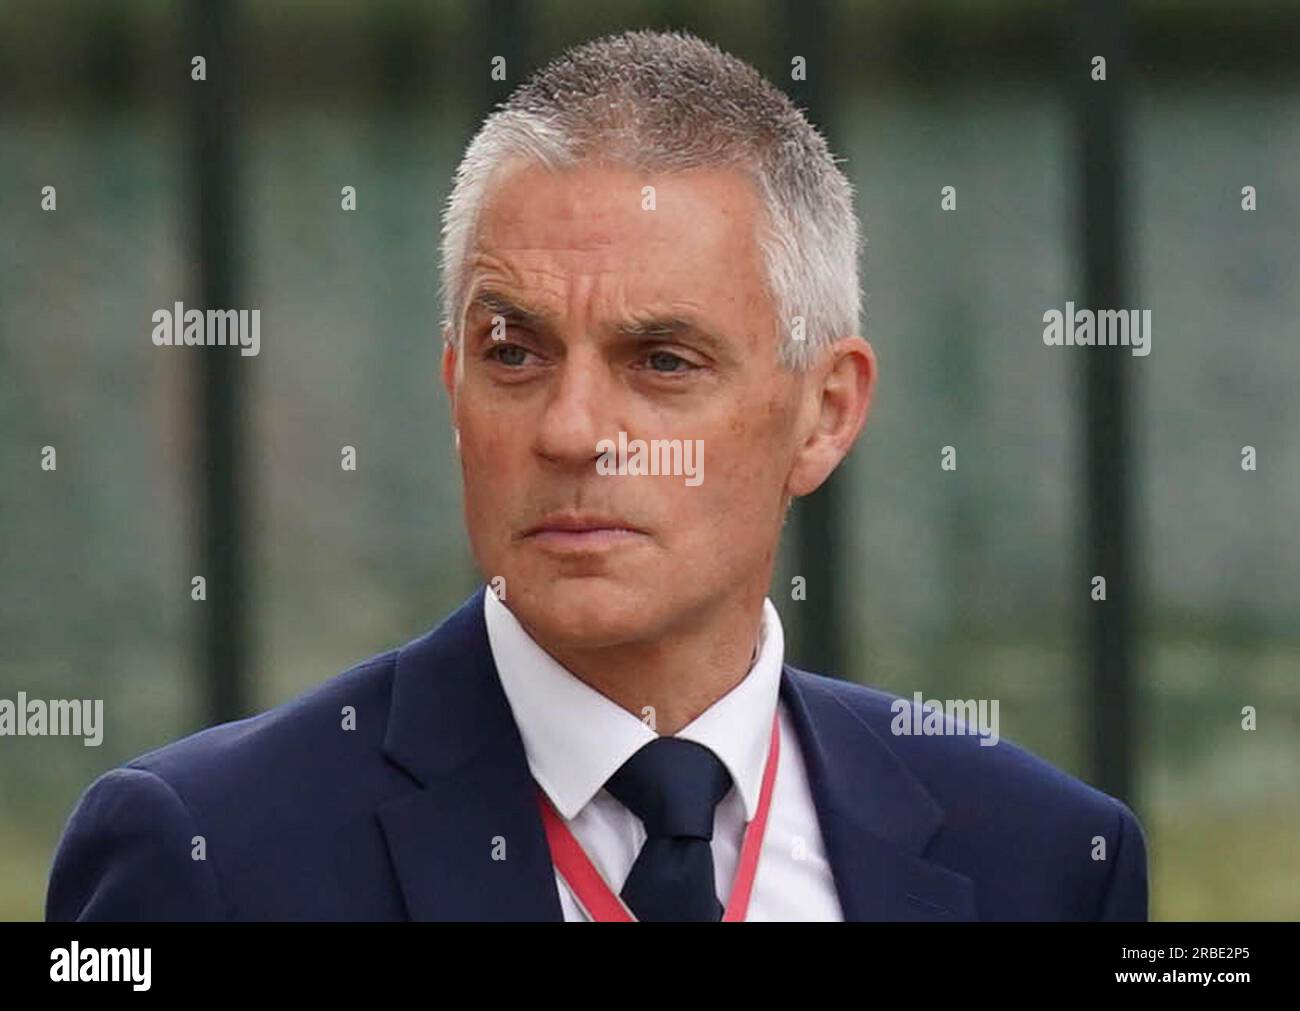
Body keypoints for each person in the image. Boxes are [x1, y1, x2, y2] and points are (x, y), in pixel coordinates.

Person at [46, 28, 1147, 922]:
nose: (571, 431)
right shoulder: (208, 860)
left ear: (825, 413)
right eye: (513, 353)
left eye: (662, 362)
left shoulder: (1044, 863)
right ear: (452, 385)